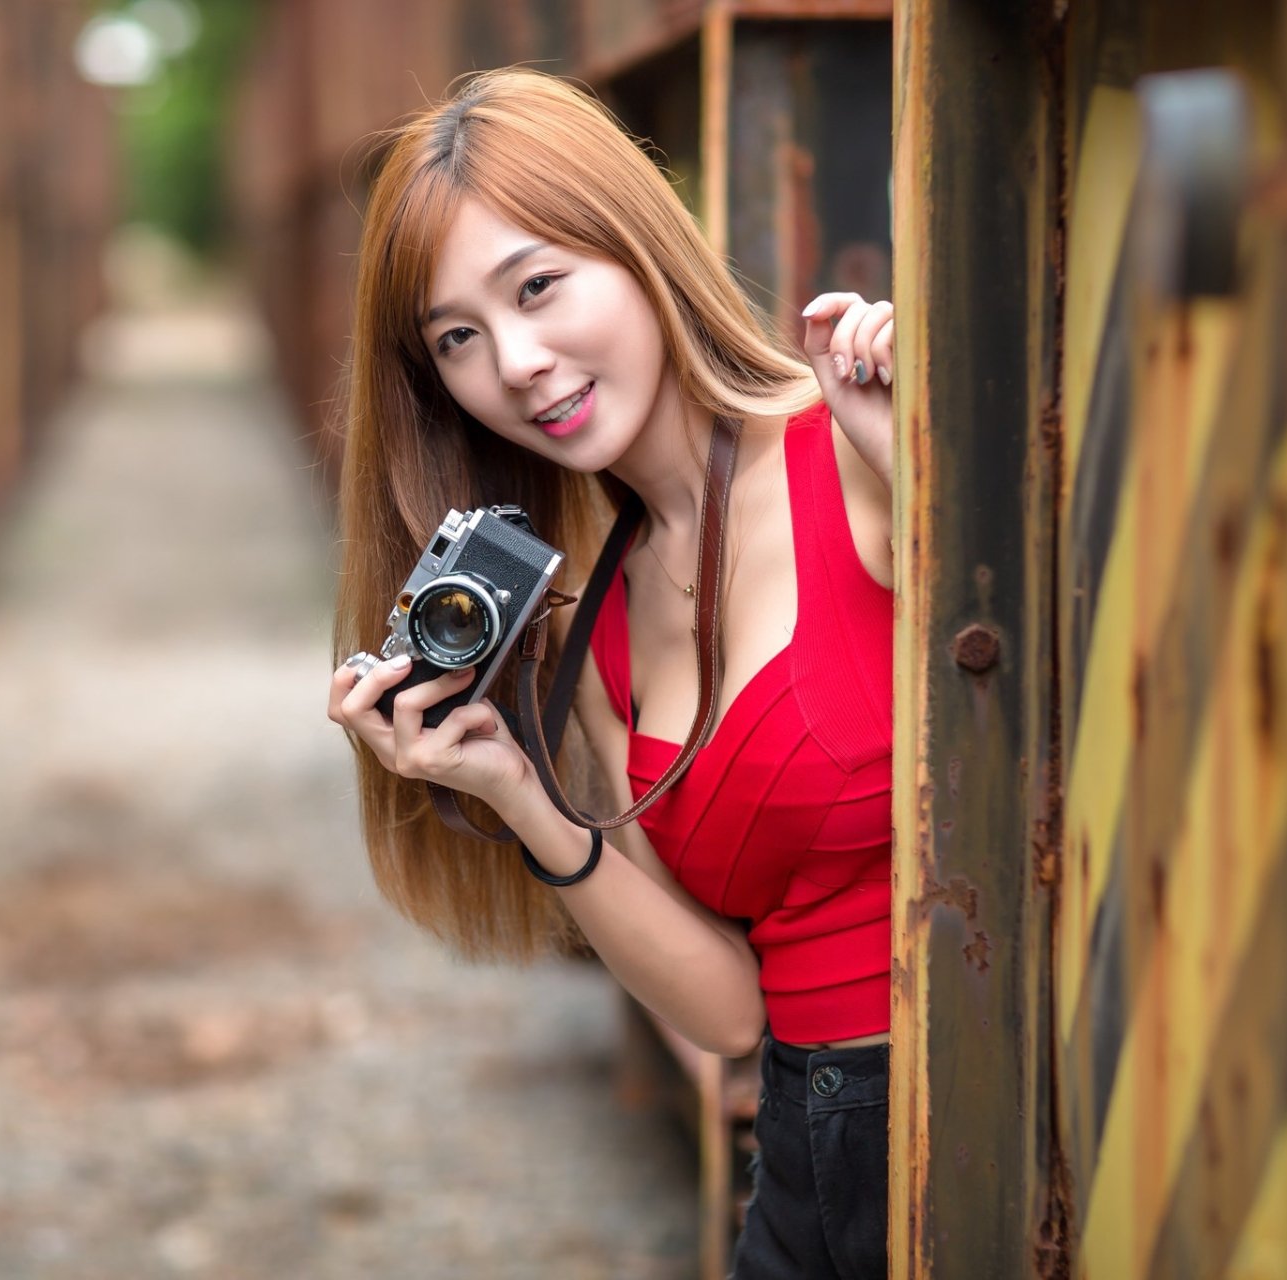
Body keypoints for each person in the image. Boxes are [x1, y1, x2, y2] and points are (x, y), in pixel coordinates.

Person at [325, 68, 896, 1280]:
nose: (519, 362)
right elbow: (732, 1012)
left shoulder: (855, 446)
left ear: (636, 246)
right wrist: (522, 798)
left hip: (973, 1125)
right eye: (459, 340)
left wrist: (934, 468)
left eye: (538, 286)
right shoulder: (595, 627)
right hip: (806, 1175)